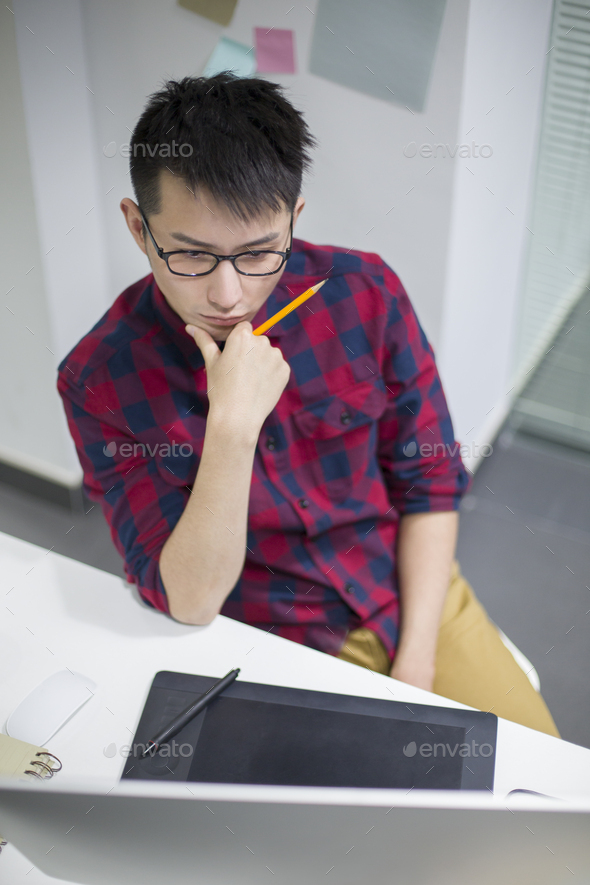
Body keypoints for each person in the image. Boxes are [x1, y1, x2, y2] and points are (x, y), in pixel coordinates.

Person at [57, 73, 559, 737]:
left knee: (546, 782)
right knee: (337, 828)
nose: (229, 294)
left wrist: (415, 662)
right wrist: (232, 427)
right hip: (267, 639)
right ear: (138, 227)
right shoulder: (100, 378)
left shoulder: (363, 293)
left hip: (405, 589)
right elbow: (191, 600)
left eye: (259, 253)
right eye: (191, 256)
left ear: (293, 219)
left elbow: (428, 485)